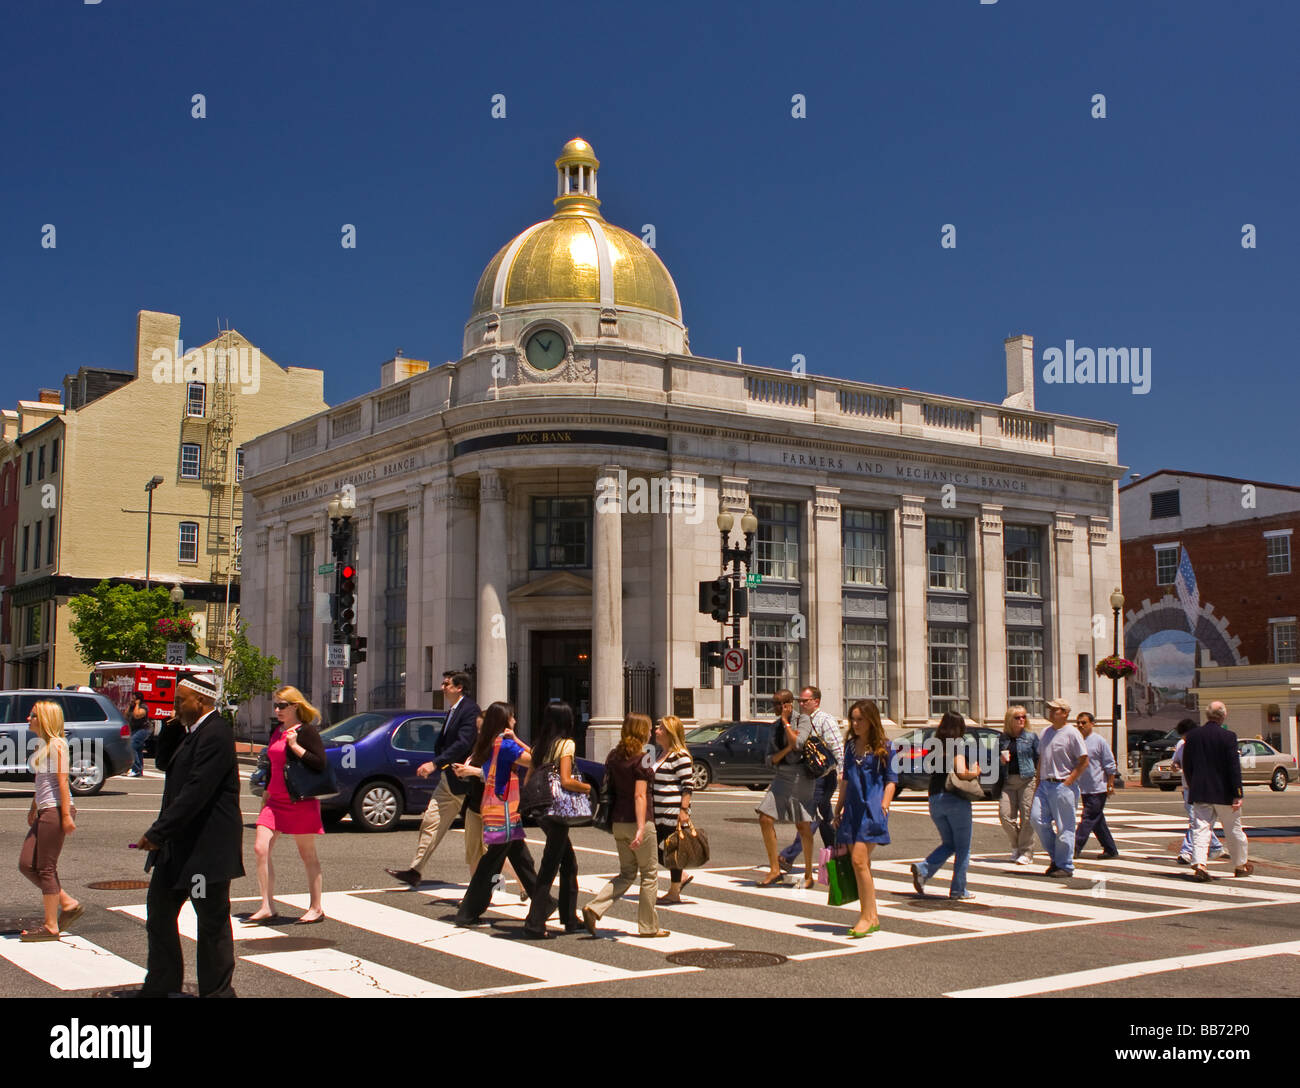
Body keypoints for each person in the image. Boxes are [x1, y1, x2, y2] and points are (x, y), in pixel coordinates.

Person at [136, 672, 244, 997]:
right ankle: (162, 984)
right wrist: (171, 725)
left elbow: (196, 791)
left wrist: (158, 831)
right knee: (159, 912)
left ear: (201, 700)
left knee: (210, 925)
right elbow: (166, 763)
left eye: (180, 701)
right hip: (177, 850)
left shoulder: (216, 735)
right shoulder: (190, 732)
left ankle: (217, 993)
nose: (175, 705)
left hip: (203, 854)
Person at [386, 671, 480, 886]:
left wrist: (435, 763)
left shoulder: (469, 710)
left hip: (463, 778)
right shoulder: (455, 709)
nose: (442, 686)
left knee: (485, 839)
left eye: (447, 684)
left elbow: (463, 743)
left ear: (459, 688)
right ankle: (415, 870)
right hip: (449, 777)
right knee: (431, 822)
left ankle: (522, 882)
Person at [582, 713, 670, 938]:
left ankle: (595, 907)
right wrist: (641, 828)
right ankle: (648, 927)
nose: (651, 732)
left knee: (627, 872)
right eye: (649, 729)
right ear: (642, 732)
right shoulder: (643, 758)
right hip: (639, 821)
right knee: (649, 874)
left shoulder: (613, 756)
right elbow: (640, 795)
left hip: (617, 821)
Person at [451, 702, 540, 925]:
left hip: (497, 807)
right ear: (504, 720)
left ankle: (542, 900)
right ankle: (469, 911)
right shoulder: (506, 745)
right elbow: (537, 761)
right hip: (505, 810)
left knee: (522, 860)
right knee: (491, 862)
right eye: (512, 717)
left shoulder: (490, 742)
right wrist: (518, 740)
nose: (515, 721)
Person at [246, 686, 327, 925]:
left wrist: (295, 746)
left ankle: (316, 907)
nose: (277, 710)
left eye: (282, 705)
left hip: (300, 801)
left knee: (307, 854)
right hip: (275, 800)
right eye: (276, 705)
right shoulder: (277, 731)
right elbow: (273, 764)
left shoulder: (306, 732)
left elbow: (320, 763)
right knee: (261, 848)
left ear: (295, 706)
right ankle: (267, 905)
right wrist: (266, 792)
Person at [522, 701, 591, 937]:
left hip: (541, 809)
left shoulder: (540, 746)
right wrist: (587, 787)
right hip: (558, 811)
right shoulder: (566, 745)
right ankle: (535, 922)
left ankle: (569, 917)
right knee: (550, 866)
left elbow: (528, 779)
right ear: (567, 721)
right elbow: (566, 780)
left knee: (569, 862)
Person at [831, 699, 897, 936]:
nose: (856, 723)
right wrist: (837, 808)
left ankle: (866, 917)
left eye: (860, 719)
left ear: (871, 720)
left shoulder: (885, 747)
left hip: (872, 810)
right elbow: (846, 780)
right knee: (861, 865)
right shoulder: (850, 747)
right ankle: (872, 915)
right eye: (853, 719)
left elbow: (892, 780)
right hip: (852, 809)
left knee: (859, 861)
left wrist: (885, 804)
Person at [17, 701, 82, 941]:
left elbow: (63, 782)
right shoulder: (44, 745)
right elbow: (43, 783)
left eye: (32, 715)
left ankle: (51, 925)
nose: (28, 718)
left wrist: (66, 815)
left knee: (46, 868)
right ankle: (67, 902)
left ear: (44, 718)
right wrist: (34, 806)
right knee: (26, 864)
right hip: (45, 810)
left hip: (56, 811)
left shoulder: (57, 745)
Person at [910, 711, 982, 901]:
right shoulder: (956, 745)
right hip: (955, 799)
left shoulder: (934, 746)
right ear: (959, 728)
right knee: (963, 848)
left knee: (949, 844)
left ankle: (924, 869)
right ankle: (958, 889)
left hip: (935, 799)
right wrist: (974, 772)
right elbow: (961, 772)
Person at [1182, 701, 1252, 881]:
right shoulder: (1228, 736)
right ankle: (1240, 864)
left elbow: (1187, 765)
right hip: (1224, 792)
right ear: (1223, 716)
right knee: (1233, 829)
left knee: (1200, 829)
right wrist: (1237, 793)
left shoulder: (1193, 736)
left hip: (1201, 791)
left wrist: (1192, 785)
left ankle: (1200, 863)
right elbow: (1233, 767)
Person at [777, 686, 844, 873]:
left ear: (816, 701)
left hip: (824, 776)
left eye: (805, 700)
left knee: (810, 815)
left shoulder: (826, 720)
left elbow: (838, 748)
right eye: (800, 700)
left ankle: (788, 855)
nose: (802, 703)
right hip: (809, 775)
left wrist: (842, 772)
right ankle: (836, 852)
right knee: (825, 816)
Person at [755, 690, 816, 887]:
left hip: (801, 776)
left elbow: (798, 743)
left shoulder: (803, 720)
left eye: (781, 703)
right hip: (782, 775)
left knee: (802, 824)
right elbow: (769, 759)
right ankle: (774, 869)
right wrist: (786, 750)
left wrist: (787, 723)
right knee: (765, 817)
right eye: (775, 703)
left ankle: (808, 874)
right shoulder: (774, 728)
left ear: (789, 704)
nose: (777, 707)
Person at [1030, 698, 1089, 878]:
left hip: (1062, 784)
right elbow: (1041, 759)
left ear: (1064, 713)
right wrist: (1038, 781)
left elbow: (1083, 760)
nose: (1050, 712)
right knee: (1036, 819)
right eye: (1050, 709)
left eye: (1055, 709)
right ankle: (1056, 858)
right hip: (1045, 783)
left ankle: (1065, 865)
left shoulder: (1072, 733)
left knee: (1065, 827)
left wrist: (1069, 781)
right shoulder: (1046, 732)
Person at [651, 715, 695, 906]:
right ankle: (680, 878)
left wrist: (683, 810)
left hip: (672, 812)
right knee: (655, 849)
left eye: (660, 728)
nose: (656, 731)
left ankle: (674, 891)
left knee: (671, 850)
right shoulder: (661, 753)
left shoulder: (680, 755)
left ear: (669, 733)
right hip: (658, 811)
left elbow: (688, 785)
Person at [1171, 718, 1225, 864]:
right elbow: (1175, 761)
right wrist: (1176, 766)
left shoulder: (1201, 743)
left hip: (1201, 788)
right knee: (1198, 822)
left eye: (1185, 735)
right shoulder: (1182, 745)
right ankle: (1215, 846)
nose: (1184, 738)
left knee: (1196, 821)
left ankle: (1187, 851)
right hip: (1188, 788)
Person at [1074, 711, 1119, 860]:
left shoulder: (1099, 741)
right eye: (1078, 722)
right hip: (1084, 788)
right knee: (1097, 820)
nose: (1080, 725)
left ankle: (1075, 846)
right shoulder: (1076, 741)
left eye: (1084, 722)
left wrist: (1110, 784)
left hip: (1098, 787)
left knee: (1088, 817)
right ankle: (1110, 849)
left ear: (1092, 724)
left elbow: (1109, 763)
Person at [997, 705, 1039, 865]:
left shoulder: (1031, 737)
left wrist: (1039, 778)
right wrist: (1000, 761)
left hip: (1027, 780)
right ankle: (1016, 846)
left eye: (1024, 717)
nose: (1022, 720)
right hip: (1008, 782)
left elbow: (1039, 758)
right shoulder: (1003, 739)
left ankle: (1026, 852)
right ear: (1009, 720)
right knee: (1004, 815)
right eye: (1017, 717)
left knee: (1027, 816)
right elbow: (994, 760)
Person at [127, 694, 152, 777]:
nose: (132, 699)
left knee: (132, 746)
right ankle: (139, 770)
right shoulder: (132, 707)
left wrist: (137, 705)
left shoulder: (143, 707)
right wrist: (130, 706)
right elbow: (126, 715)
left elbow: (137, 715)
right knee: (138, 749)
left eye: (134, 698)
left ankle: (136, 769)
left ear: (138, 699)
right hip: (135, 729)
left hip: (143, 730)